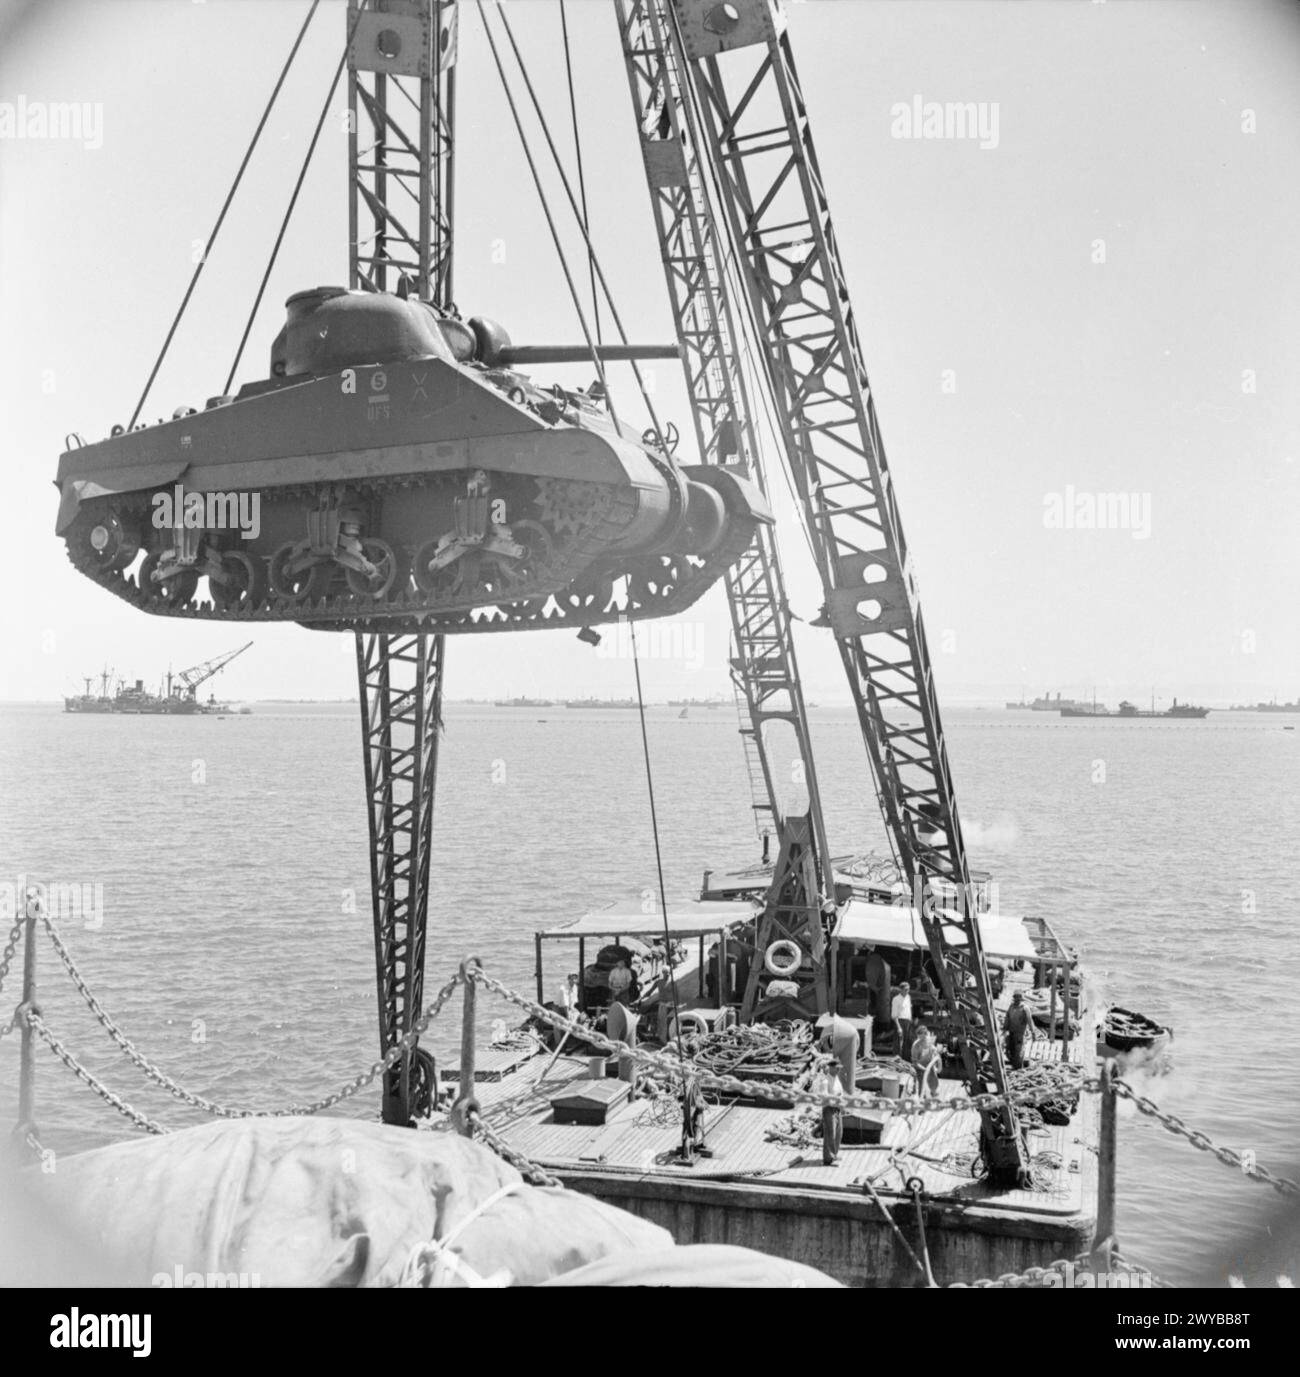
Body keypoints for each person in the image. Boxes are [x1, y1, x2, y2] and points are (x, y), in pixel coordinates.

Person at [1004, 990, 1034, 1070]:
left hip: (1020, 1034)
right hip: (1011, 1032)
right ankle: (1014, 1065)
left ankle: (1018, 1068)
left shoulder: (1025, 1008)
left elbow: (1029, 1020)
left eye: (1018, 997)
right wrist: (1005, 1027)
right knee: (1009, 1050)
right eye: (1015, 997)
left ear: (1021, 998)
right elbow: (1007, 1017)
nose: (1017, 999)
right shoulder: (1011, 1006)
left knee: (1018, 1052)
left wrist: (1033, 1031)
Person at [911, 1022, 941, 1095]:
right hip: (919, 1066)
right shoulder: (916, 1046)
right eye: (921, 1034)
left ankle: (933, 1090)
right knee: (922, 1077)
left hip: (929, 1064)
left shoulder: (929, 1042)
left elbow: (935, 1053)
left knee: (933, 1074)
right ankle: (921, 1094)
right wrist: (924, 1069)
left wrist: (937, 1064)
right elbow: (915, 1062)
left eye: (925, 1034)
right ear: (918, 1035)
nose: (924, 1036)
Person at [890, 983, 913, 1055]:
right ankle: (896, 1060)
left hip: (908, 1022)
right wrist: (898, 1027)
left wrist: (911, 1019)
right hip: (900, 1021)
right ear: (901, 990)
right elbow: (894, 1015)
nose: (907, 991)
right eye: (906, 990)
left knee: (907, 1042)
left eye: (908, 989)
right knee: (898, 1043)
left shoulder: (908, 997)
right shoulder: (896, 999)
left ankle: (906, 1060)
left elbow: (909, 1009)